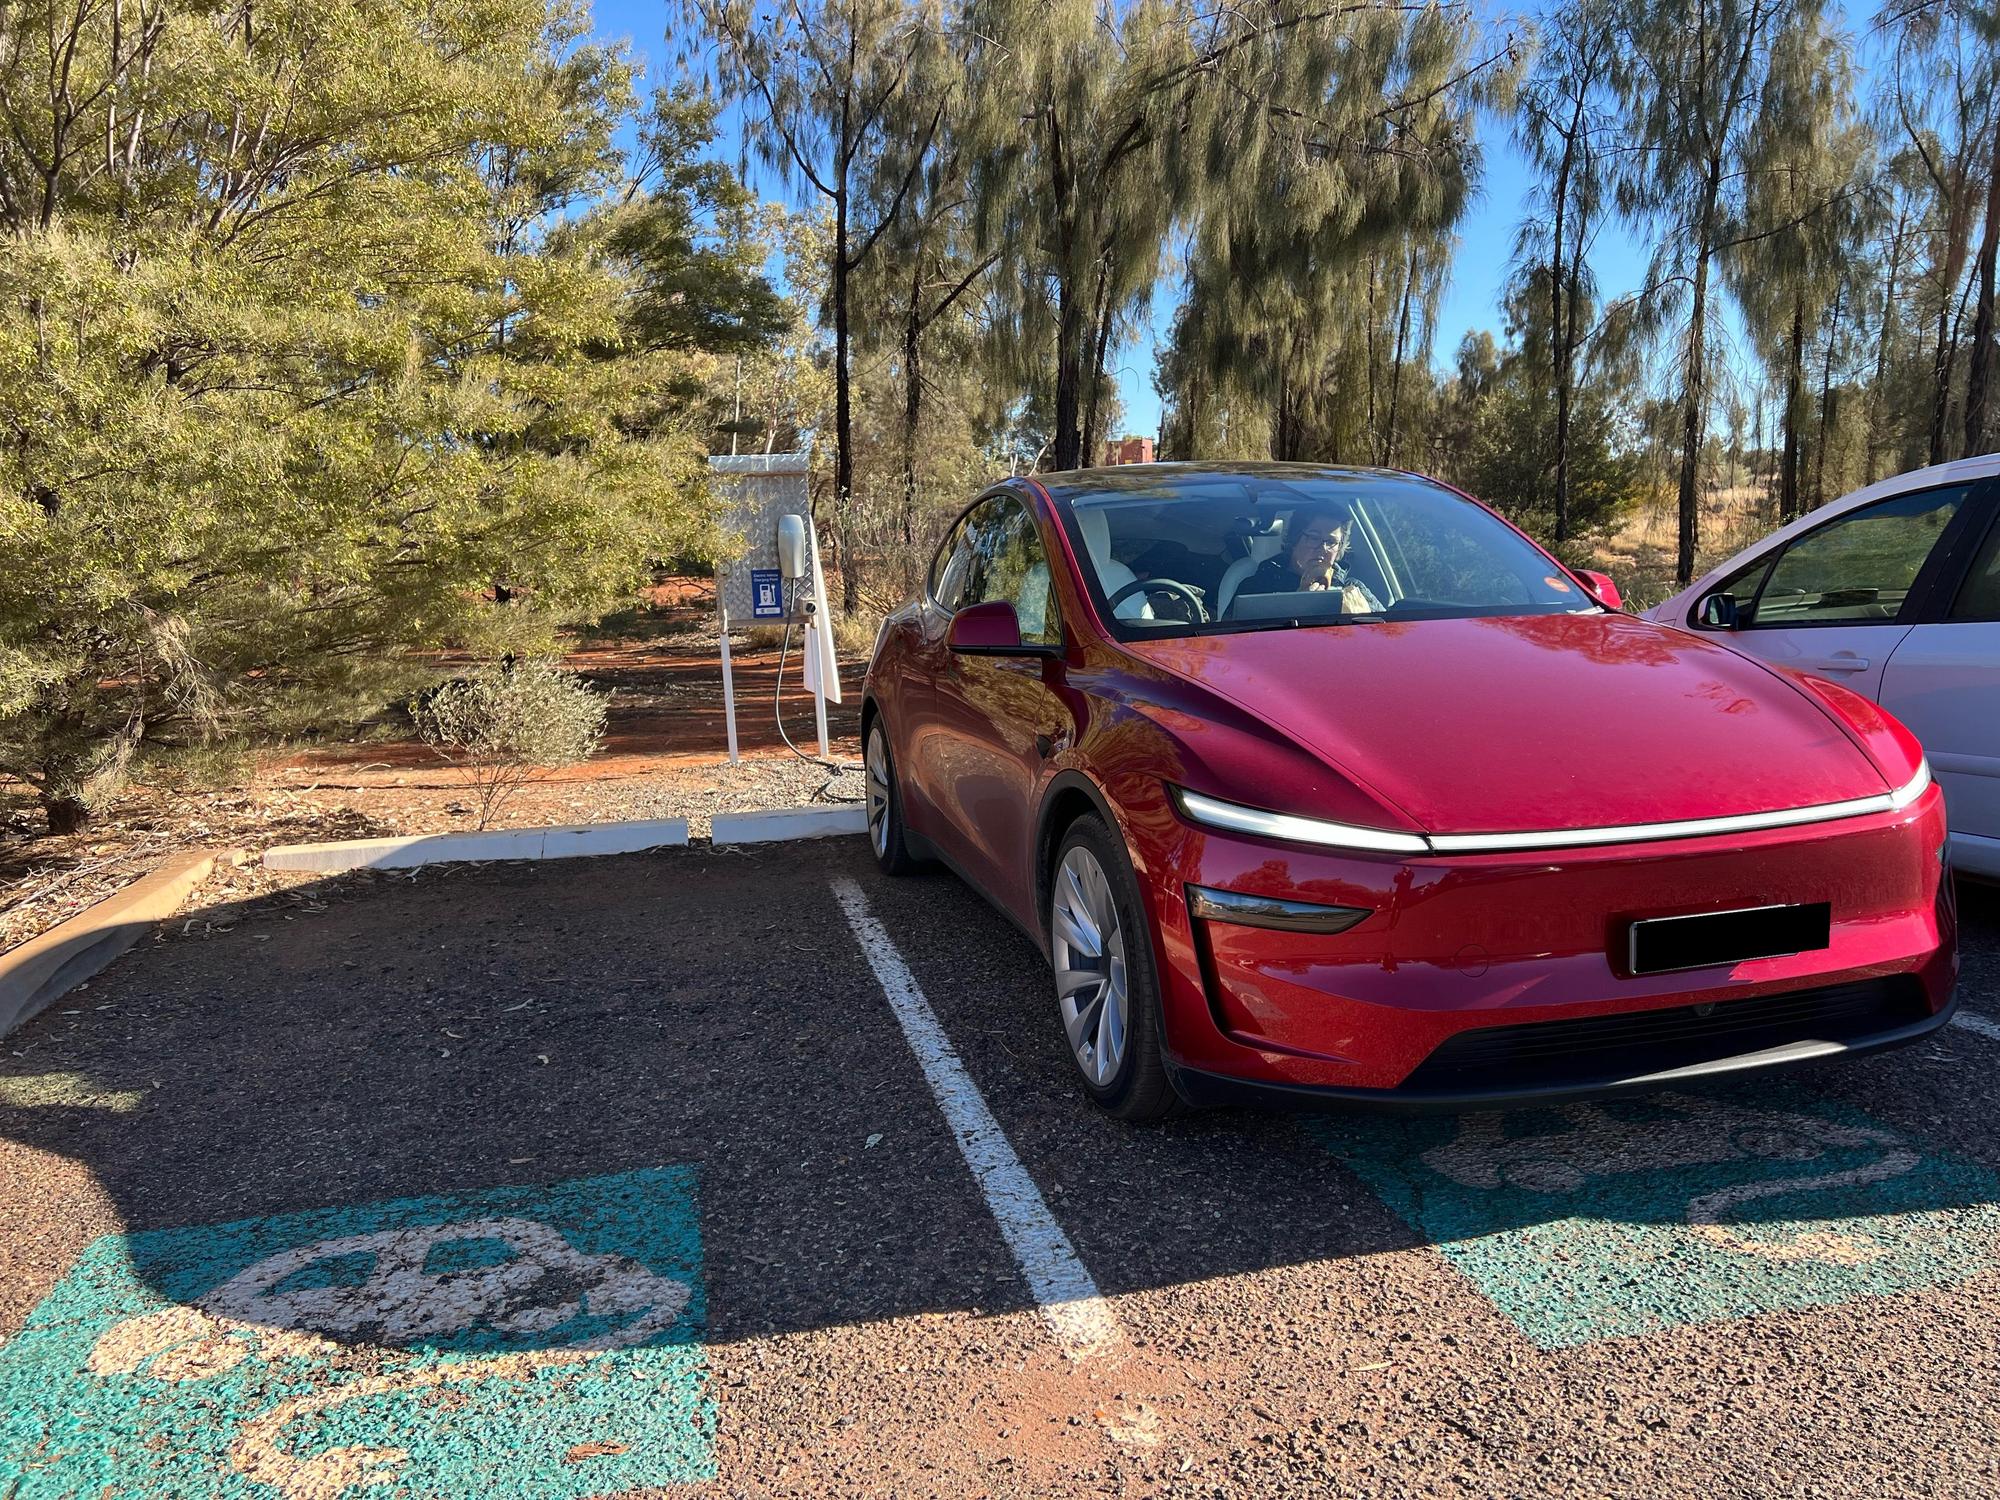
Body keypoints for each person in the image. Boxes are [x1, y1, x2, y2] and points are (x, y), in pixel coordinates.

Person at [1243, 501, 1386, 613]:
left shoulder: (1354, 589)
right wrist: (1294, 605)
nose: (1322, 548)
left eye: (1331, 542)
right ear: (1294, 538)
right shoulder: (1259, 586)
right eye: (1314, 538)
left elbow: (1388, 632)